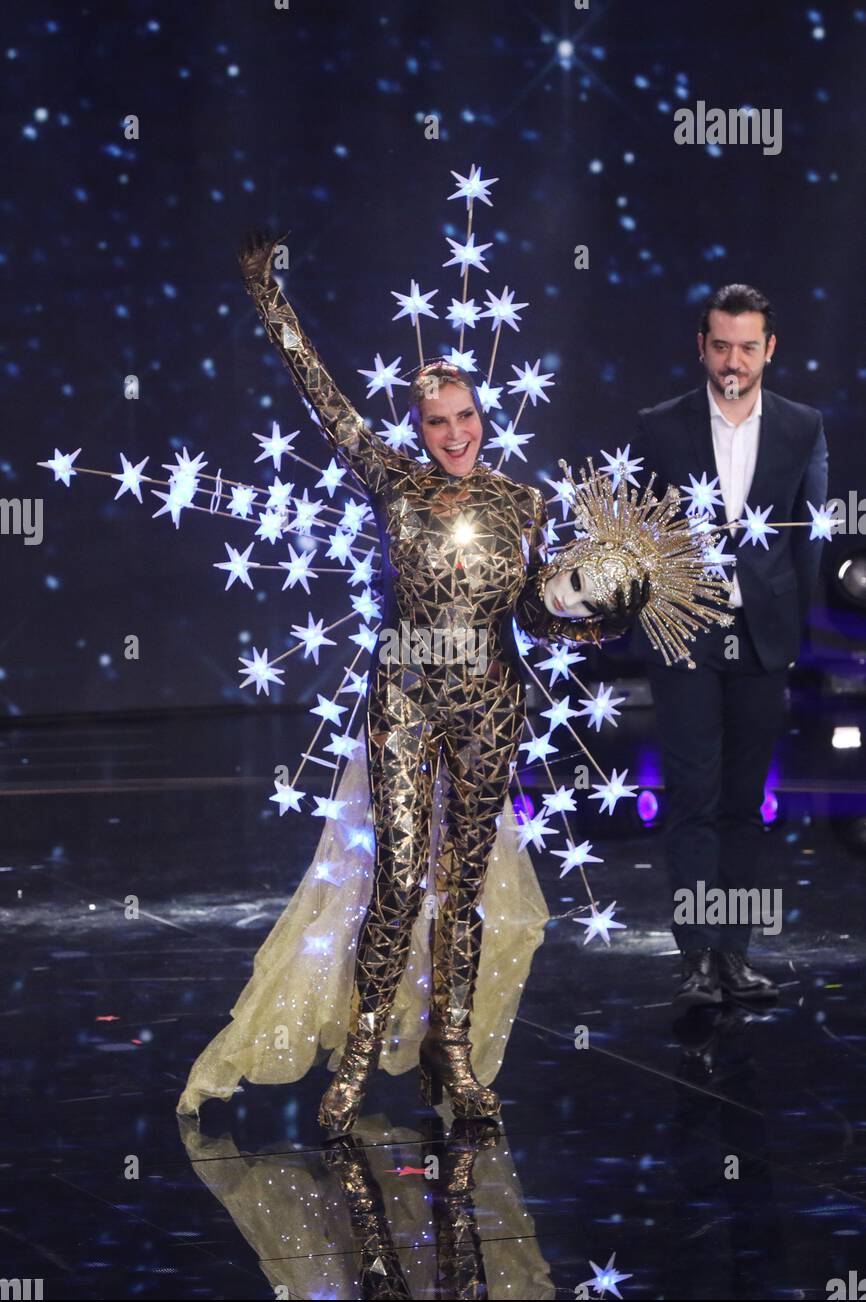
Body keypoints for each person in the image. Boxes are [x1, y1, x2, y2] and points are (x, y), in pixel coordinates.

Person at [176, 229, 648, 1135]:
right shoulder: (389, 481)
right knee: (396, 883)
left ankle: (455, 1057)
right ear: (418, 428)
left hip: (491, 710)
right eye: (439, 422)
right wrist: (271, 300)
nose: (457, 433)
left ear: (485, 416)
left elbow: (537, 615)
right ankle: (357, 1057)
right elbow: (319, 393)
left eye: (467, 417)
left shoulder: (523, 501)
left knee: (460, 891)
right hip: (404, 701)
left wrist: (600, 614)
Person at [628, 283, 828, 1012]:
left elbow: (808, 539)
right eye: (720, 345)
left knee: (746, 805)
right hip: (685, 635)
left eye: (748, 346)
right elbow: (641, 537)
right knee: (693, 801)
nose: (733, 360)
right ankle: (696, 962)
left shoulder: (802, 426)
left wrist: (789, 627)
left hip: (761, 636)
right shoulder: (662, 426)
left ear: (769, 349)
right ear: (701, 347)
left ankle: (734, 955)